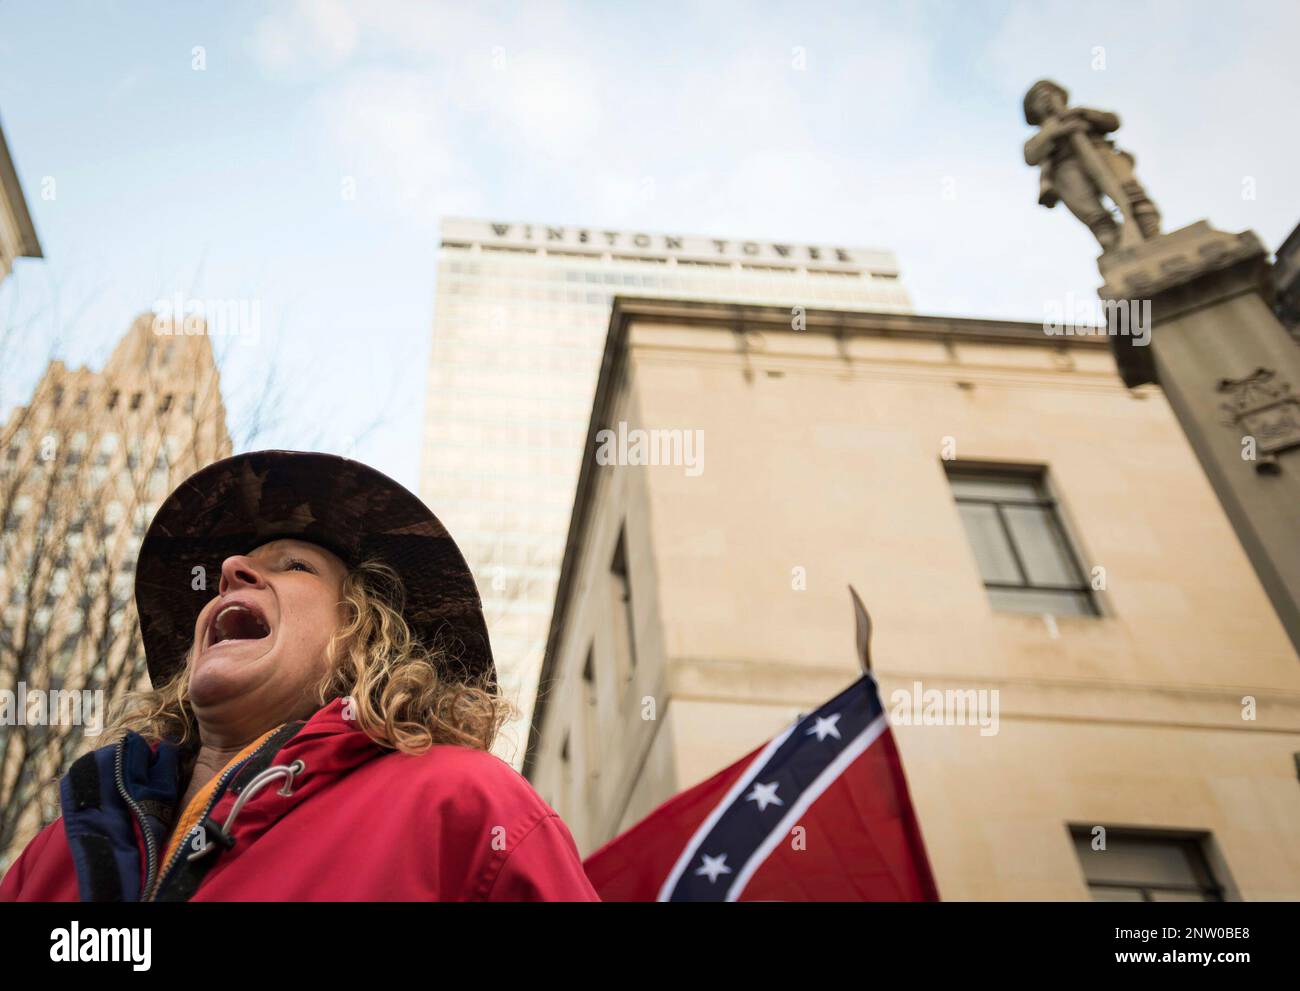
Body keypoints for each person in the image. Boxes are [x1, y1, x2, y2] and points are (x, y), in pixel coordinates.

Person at [0, 450, 600, 901]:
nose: (231, 570)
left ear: (367, 634)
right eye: (230, 571)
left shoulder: (466, 805)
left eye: (294, 565)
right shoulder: (54, 852)